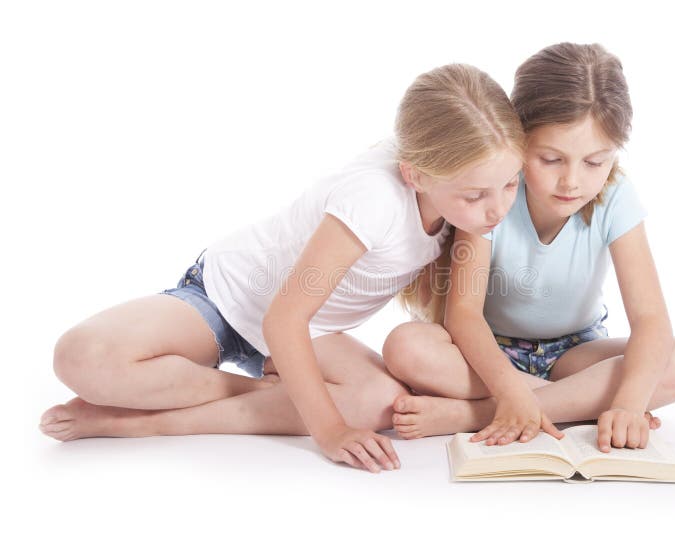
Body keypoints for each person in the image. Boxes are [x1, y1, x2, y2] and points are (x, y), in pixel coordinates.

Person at [38, 63, 526, 473]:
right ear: (415, 174)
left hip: (310, 335)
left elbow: (461, 313)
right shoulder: (373, 200)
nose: (498, 208)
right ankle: (264, 394)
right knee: (82, 357)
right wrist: (327, 427)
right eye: (477, 194)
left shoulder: (469, 203)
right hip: (227, 302)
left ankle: (141, 421)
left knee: (379, 401)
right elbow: (281, 317)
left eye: (511, 184)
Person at [383, 43, 675, 453]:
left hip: (577, 354)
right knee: (406, 346)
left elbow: (650, 320)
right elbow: (464, 317)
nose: (572, 182)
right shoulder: (498, 193)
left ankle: (475, 415)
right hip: (489, 355)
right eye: (551, 159)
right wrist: (507, 386)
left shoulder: (617, 197)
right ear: (518, 140)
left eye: (595, 162)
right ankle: (571, 403)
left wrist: (629, 404)